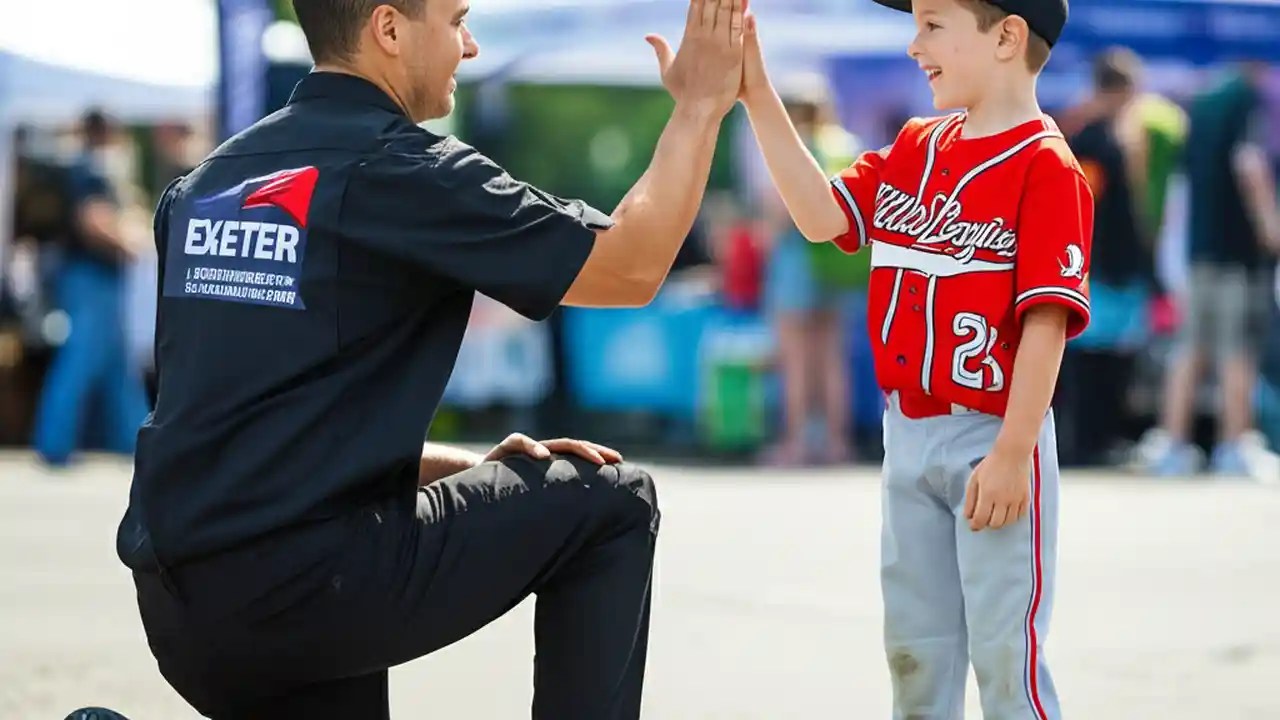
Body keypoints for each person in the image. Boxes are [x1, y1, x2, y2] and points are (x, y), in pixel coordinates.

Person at [114, 0, 745, 717]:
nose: (470, 46)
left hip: (181, 607)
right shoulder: (401, 168)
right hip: (309, 592)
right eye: (455, 21)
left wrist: (474, 470)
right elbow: (630, 266)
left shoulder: (204, 186)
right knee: (611, 502)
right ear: (388, 29)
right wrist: (700, 106)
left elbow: (246, 427)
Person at [740, 0, 1090, 717]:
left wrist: (1012, 450)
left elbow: (1046, 324)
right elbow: (820, 216)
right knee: (916, 653)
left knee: (1006, 657)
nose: (912, 43)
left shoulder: (1046, 164)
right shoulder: (916, 144)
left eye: (933, 24)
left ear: (1007, 36)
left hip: (991, 435)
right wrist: (756, 92)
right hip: (908, 434)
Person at [1148, 62, 1280, 477]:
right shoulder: (1245, 100)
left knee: (1189, 349)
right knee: (1237, 349)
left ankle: (1173, 443)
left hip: (1199, 251)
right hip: (1236, 252)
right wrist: (1271, 229)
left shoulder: (1202, 105)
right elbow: (1249, 164)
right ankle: (1233, 445)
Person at [31, 109, 149, 466]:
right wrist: (131, 247)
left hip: (93, 275)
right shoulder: (89, 170)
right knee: (82, 359)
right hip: (90, 275)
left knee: (116, 367)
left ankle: (136, 441)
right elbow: (93, 221)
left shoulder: (81, 168)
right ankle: (54, 443)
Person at [1059, 48, 1153, 466]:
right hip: (1099, 267)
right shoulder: (1092, 138)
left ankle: (1101, 438)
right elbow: (1085, 203)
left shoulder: (1107, 133)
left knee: (1110, 357)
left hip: (1111, 265)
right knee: (1094, 360)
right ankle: (1089, 441)